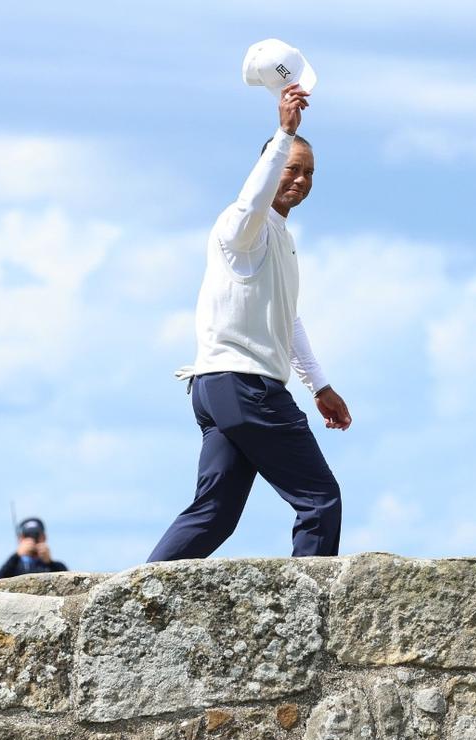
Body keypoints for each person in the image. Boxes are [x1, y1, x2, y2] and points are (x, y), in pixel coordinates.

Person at [147, 82, 351, 563]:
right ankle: (313, 623)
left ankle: (131, 603)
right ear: (267, 169)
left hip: (216, 389)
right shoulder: (240, 228)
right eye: (291, 169)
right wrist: (283, 133)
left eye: (308, 173)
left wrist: (319, 385)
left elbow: (288, 318)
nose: (300, 179)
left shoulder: (280, 238)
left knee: (214, 512)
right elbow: (249, 204)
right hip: (245, 386)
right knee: (320, 500)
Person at [0, 517, 67, 579]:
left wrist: (50, 563)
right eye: (27, 535)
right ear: (20, 539)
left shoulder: (55, 566)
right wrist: (16, 556)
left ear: (44, 537)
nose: (32, 539)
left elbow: (67, 582)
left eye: (36, 535)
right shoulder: (14, 566)